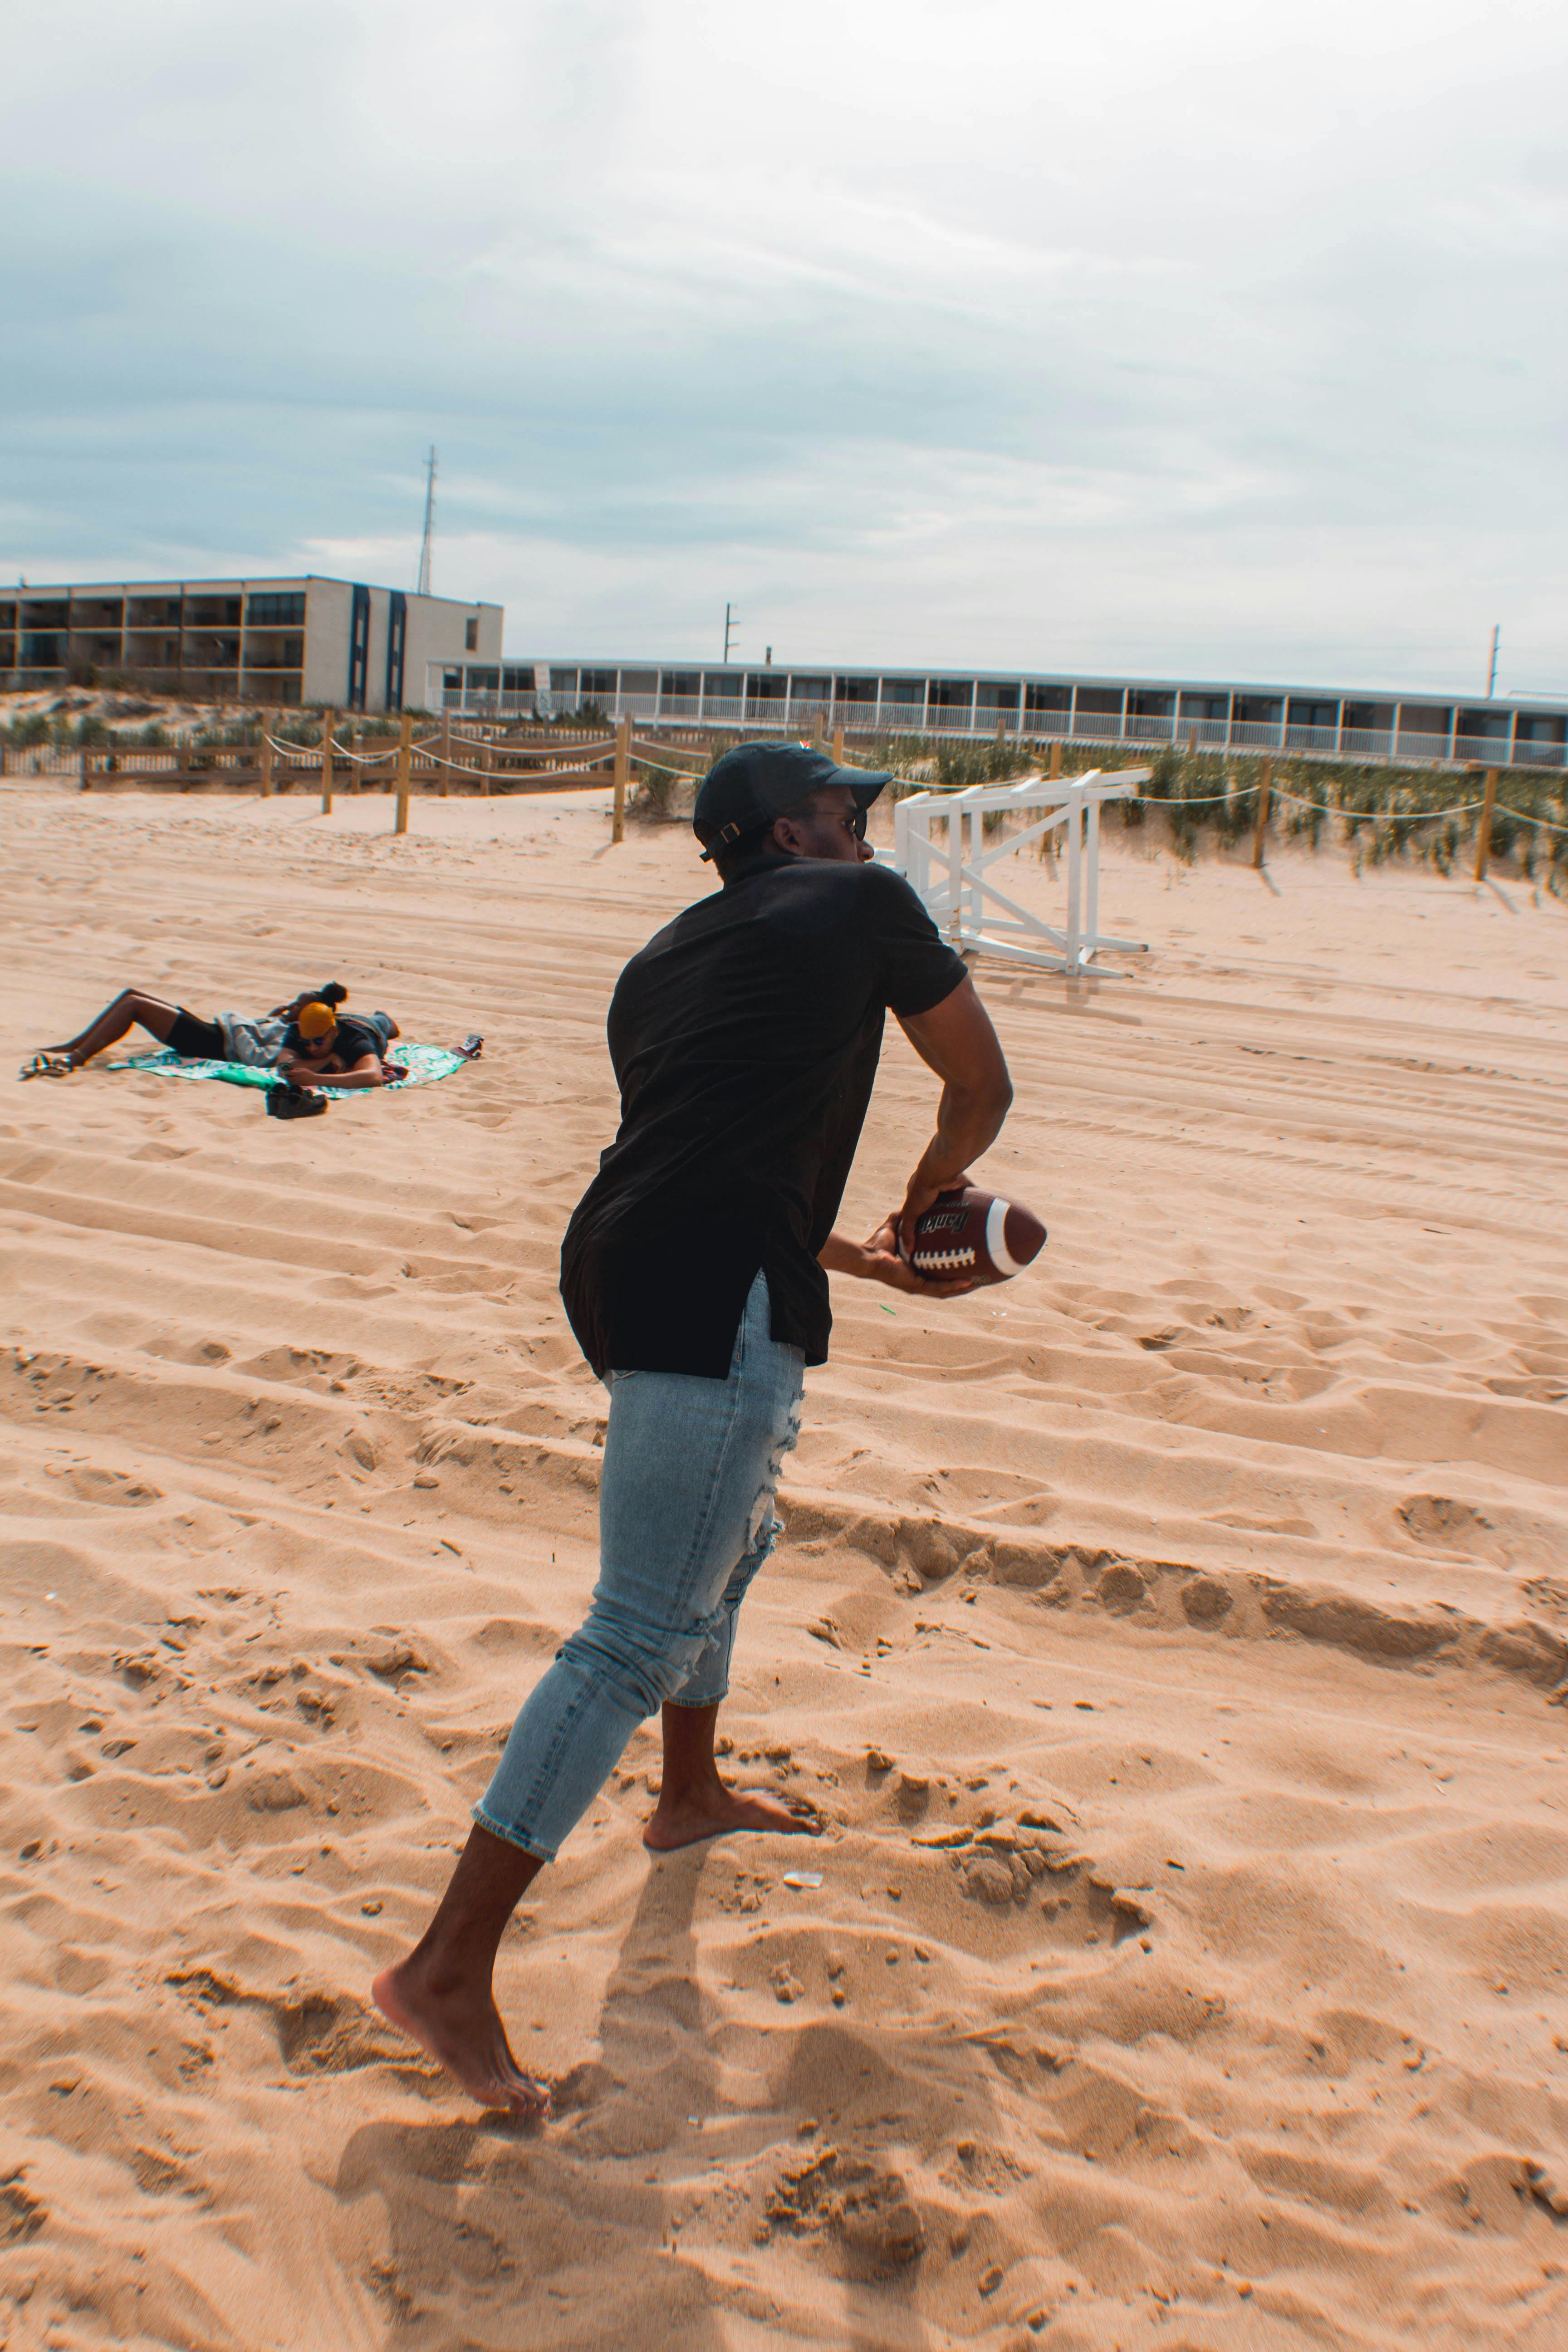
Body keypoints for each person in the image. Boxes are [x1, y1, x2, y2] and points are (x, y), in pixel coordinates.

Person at [373, 740, 1013, 2114]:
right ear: (792, 833)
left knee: (737, 1534)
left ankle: (690, 1792)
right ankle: (442, 1971)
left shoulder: (658, 960)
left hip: (620, 1258)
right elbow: (982, 1087)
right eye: (851, 810)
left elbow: (704, 1155)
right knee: (633, 1632)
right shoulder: (864, 901)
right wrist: (933, 1194)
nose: (867, 827)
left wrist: (854, 1257)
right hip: (705, 1276)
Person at [23, 980, 357, 1077]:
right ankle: (75, 1045)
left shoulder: (294, 1036)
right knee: (131, 995)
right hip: (211, 1032)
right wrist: (277, 1015)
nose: (291, 1005)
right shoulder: (285, 1023)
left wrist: (272, 1023)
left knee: (134, 1007)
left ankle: (77, 1057)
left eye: (298, 1004)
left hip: (212, 1043)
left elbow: (260, 1057)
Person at [274, 1000, 401, 1090]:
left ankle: (382, 1014)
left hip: (368, 1027)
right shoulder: (297, 1031)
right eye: (306, 1042)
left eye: (319, 1041)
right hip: (339, 1020)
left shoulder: (355, 1040)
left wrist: (314, 1079)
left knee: (384, 1022)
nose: (313, 1048)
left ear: (333, 1033)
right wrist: (327, 1059)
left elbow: (374, 1077)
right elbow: (283, 1067)